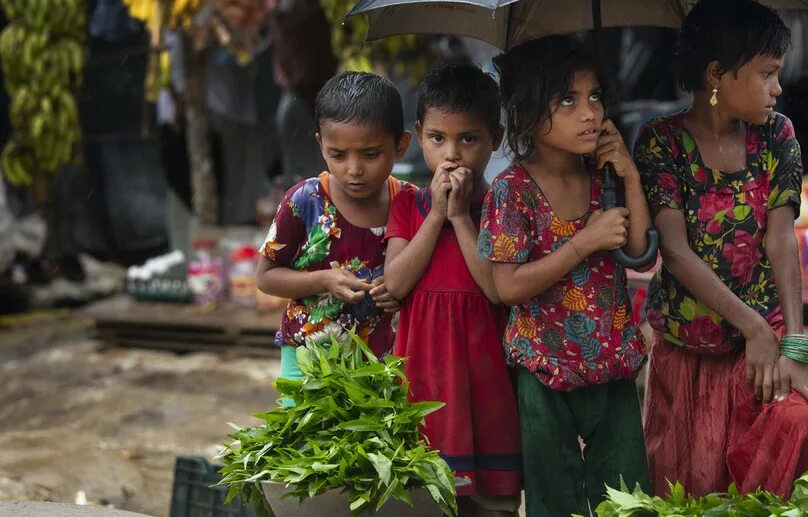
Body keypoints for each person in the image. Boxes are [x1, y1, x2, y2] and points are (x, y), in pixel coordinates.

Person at [634, 0, 808, 499]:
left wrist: (794, 345)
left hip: (765, 348)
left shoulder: (777, 136)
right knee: (697, 494)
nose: (777, 88)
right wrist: (751, 324)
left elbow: (781, 240)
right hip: (689, 355)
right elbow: (675, 251)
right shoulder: (661, 141)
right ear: (718, 75)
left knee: (794, 423)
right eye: (767, 74)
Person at [479, 36, 651, 517]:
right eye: (568, 101)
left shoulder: (605, 178)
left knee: (629, 499)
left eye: (595, 96)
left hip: (613, 366)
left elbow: (640, 253)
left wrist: (631, 177)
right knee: (554, 501)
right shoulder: (511, 192)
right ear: (528, 114)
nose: (590, 113)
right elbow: (507, 286)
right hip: (543, 372)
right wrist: (584, 241)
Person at [385, 64, 522, 517]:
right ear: (420, 135)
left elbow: (497, 290)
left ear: (495, 139)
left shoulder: (504, 203)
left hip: (487, 381)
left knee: (493, 502)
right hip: (424, 379)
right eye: (438, 138)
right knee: (429, 500)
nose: (452, 154)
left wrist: (461, 217)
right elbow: (395, 282)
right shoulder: (409, 203)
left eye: (468, 138)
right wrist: (436, 215)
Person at [257, 71, 411, 382]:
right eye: (337, 155)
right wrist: (324, 280)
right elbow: (266, 277)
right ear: (321, 144)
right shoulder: (304, 201)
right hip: (308, 359)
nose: (354, 170)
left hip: (383, 361)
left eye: (371, 154)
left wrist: (400, 291)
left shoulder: (410, 203)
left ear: (401, 145)